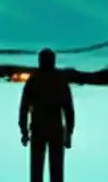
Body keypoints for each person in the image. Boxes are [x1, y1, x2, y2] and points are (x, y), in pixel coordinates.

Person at [19, 48, 75, 182]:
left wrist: (24, 131)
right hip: (56, 130)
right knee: (57, 172)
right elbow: (69, 109)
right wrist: (68, 133)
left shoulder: (33, 79)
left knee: (36, 172)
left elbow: (24, 107)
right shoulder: (60, 80)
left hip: (38, 129)